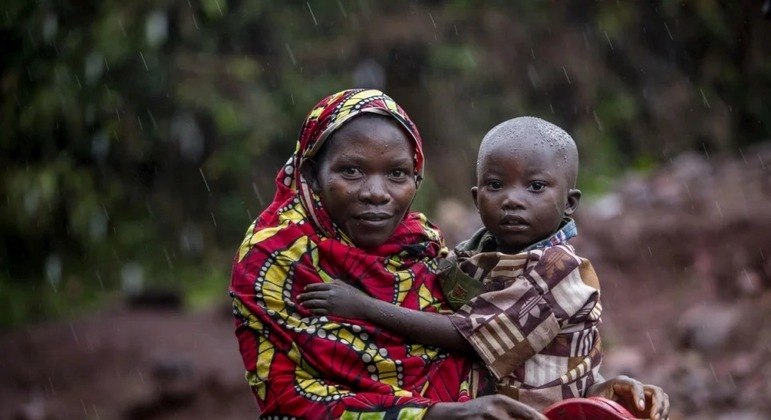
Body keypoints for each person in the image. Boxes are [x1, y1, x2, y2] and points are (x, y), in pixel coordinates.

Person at [299, 117, 670, 420]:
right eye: (495, 185)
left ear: (569, 203)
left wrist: (362, 306)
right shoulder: (471, 255)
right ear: (477, 199)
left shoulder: (560, 271)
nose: (512, 199)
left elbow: (466, 337)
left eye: (536, 186)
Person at [230, 89, 546, 419]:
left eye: (397, 174)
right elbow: (290, 401)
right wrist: (442, 414)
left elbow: (481, 338)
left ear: (416, 176)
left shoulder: (421, 244)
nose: (377, 194)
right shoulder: (274, 257)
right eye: (351, 171)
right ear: (311, 175)